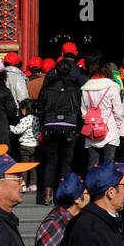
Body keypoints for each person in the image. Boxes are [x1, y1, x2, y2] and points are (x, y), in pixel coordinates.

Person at [37, 58, 81, 206]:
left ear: (55, 71)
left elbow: (41, 108)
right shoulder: (76, 87)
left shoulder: (47, 87)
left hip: (50, 125)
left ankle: (47, 195)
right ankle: (64, 194)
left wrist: (45, 123)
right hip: (69, 125)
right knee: (66, 163)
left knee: (51, 161)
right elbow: (79, 108)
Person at [80, 61, 123, 168]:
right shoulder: (112, 87)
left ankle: (92, 184)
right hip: (110, 130)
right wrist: (119, 125)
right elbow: (118, 111)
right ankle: (108, 185)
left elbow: (83, 111)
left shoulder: (86, 89)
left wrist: (92, 122)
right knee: (108, 164)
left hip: (91, 131)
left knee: (92, 164)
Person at [11, 99, 41, 193]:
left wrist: (10, 127)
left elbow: (18, 130)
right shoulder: (37, 119)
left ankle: (23, 185)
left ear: (25, 109)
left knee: (23, 166)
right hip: (35, 145)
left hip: (25, 146)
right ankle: (33, 185)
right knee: (33, 166)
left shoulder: (24, 120)